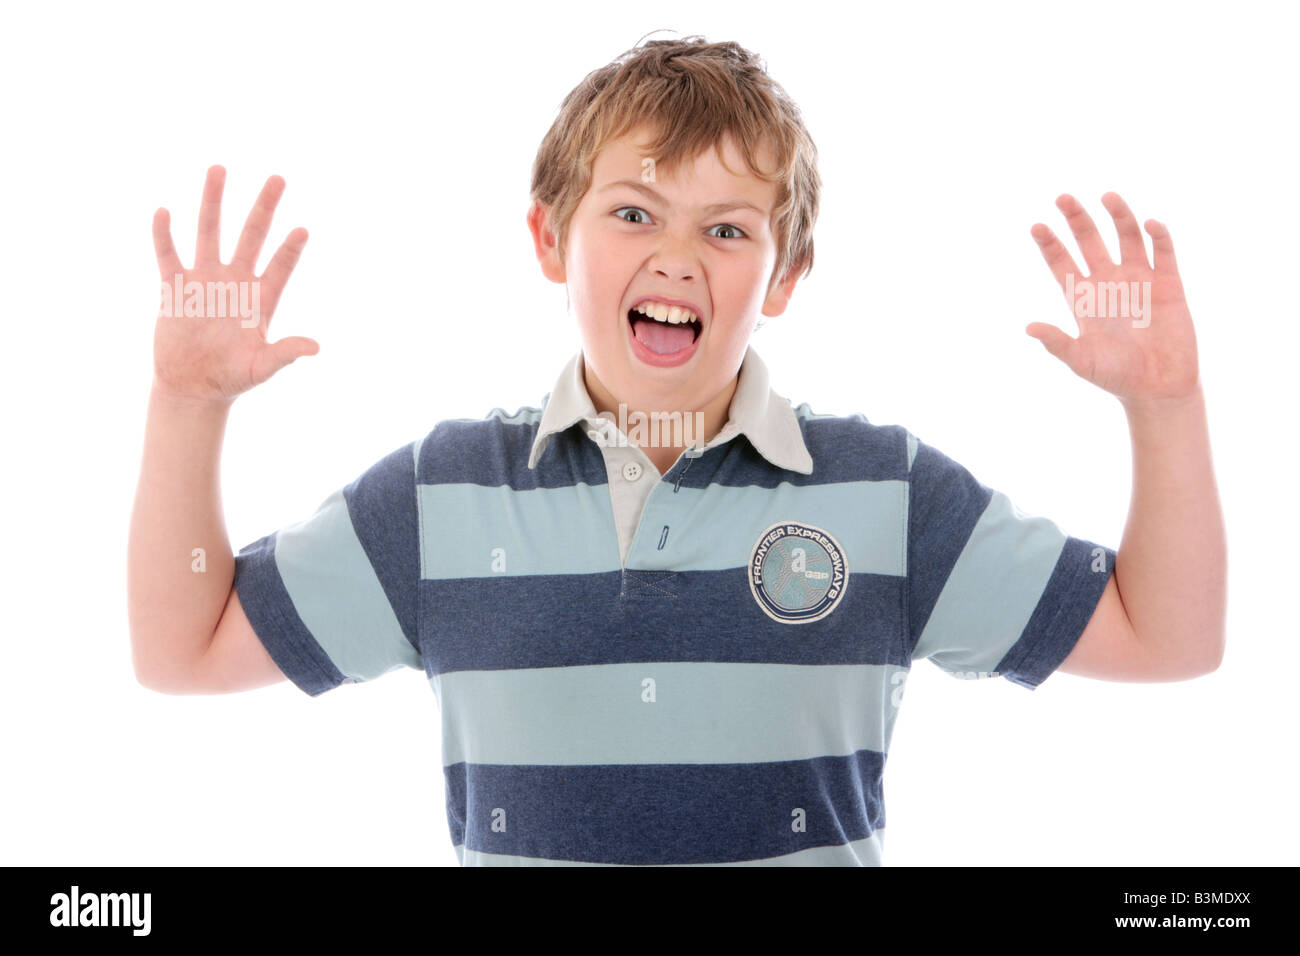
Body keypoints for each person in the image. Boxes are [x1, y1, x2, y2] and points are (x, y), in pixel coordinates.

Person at [127, 35, 1226, 866]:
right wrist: (185, 402)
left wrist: (1164, 407)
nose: (678, 258)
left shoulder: (884, 493)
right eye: (635, 214)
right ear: (550, 237)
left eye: (728, 228)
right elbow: (182, 647)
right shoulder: (441, 494)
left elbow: (1166, 634)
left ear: (784, 277)